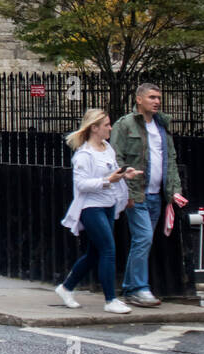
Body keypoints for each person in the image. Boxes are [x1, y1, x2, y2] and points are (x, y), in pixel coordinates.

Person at [56, 108, 141, 314]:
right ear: (94, 128)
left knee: (94, 254)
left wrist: (123, 174)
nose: (110, 128)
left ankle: (66, 288)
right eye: (106, 125)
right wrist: (106, 181)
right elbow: (82, 184)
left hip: (108, 204)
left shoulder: (107, 148)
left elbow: (112, 172)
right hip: (90, 207)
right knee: (108, 250)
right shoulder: (84, 155)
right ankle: (110, 299)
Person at [111, 83, 183, 307]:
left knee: (142, 242)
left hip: (156, 195)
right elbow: (116, 158)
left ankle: (132, 288)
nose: (157, 101)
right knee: (143, 238)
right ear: (139, 99)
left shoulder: (162, 125)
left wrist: (174, 189)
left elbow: (170, 159)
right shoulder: (126, 124)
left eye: (159, 97)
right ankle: (139, 288)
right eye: (152, 97)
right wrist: (126, 191)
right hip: (137, 193)